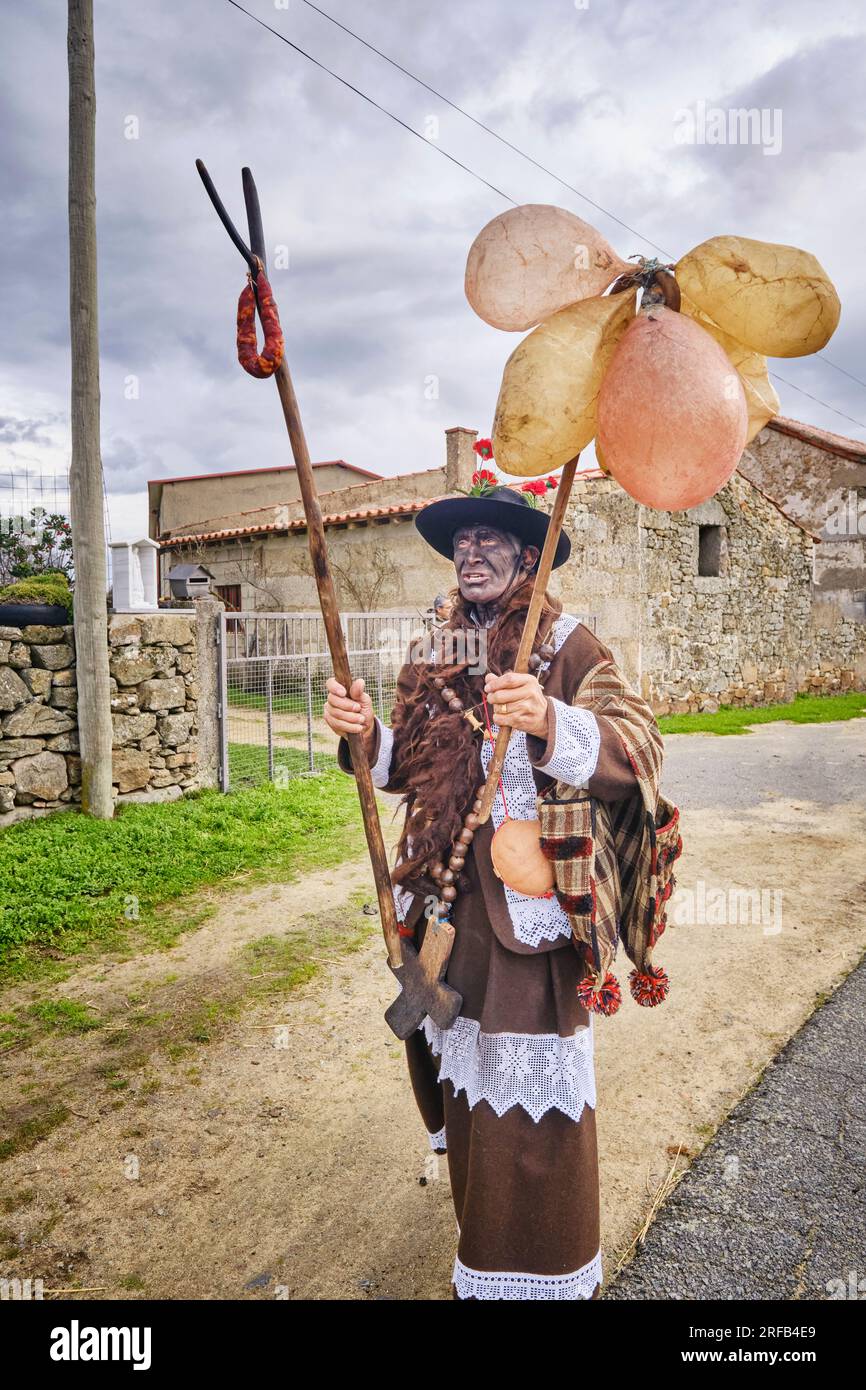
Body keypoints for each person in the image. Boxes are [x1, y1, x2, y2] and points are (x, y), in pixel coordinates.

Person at [323, 482, 664, 1301]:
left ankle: (542, 1275)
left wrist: (549, 718)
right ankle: (479, 1259)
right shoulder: (435, 651)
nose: (471, 553)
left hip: (531, 914)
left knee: (531, 1117)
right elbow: (407, 767)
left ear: (523, 557)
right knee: (467, 1094)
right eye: (461, 542)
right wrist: (365, 734)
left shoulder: (570, 648)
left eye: (491, 541)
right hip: (447, 911)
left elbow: (640, 743)